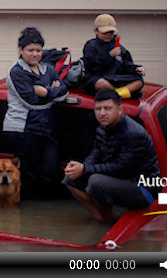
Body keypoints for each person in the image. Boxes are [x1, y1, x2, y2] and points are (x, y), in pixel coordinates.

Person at [63, 89, 161, 223]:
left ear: (120, 109)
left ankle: (107, 223)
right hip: (119, 179)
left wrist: (85, 170)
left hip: (143, 188)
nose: (102, 113)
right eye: (98, 109)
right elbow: (95, 153)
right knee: (70, 178)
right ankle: (99, 218)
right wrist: (81, 168)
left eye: (107, 108)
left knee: (96, 182)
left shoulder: (133, 134)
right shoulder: (102, 128)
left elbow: (122, 168)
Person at [2, 27, 70, 200]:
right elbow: (31, 101)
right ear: (21, 50)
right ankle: (25, 214)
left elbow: (64, 92)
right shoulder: (16, 72)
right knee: (28, 174)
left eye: (38, 50)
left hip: (46, 128)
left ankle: (42, 212)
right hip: (22, 128)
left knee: (52, 170)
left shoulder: (48, 69)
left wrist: (46, 92)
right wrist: (53, 93)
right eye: (30, 50)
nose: (35, 54)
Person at [82, 14, 146, 99]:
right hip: (99, 77)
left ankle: (117, 94)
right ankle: (118, 95)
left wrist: (136, 68)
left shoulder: (120, 47)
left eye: (111, 32)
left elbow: (127, 65)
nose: (108, 35)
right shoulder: (90, 45)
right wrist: (109, 56)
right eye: (105, 32)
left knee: (139, 81)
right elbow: (91, 64)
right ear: (95, 31)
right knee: (100, 83)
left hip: (116, 78)